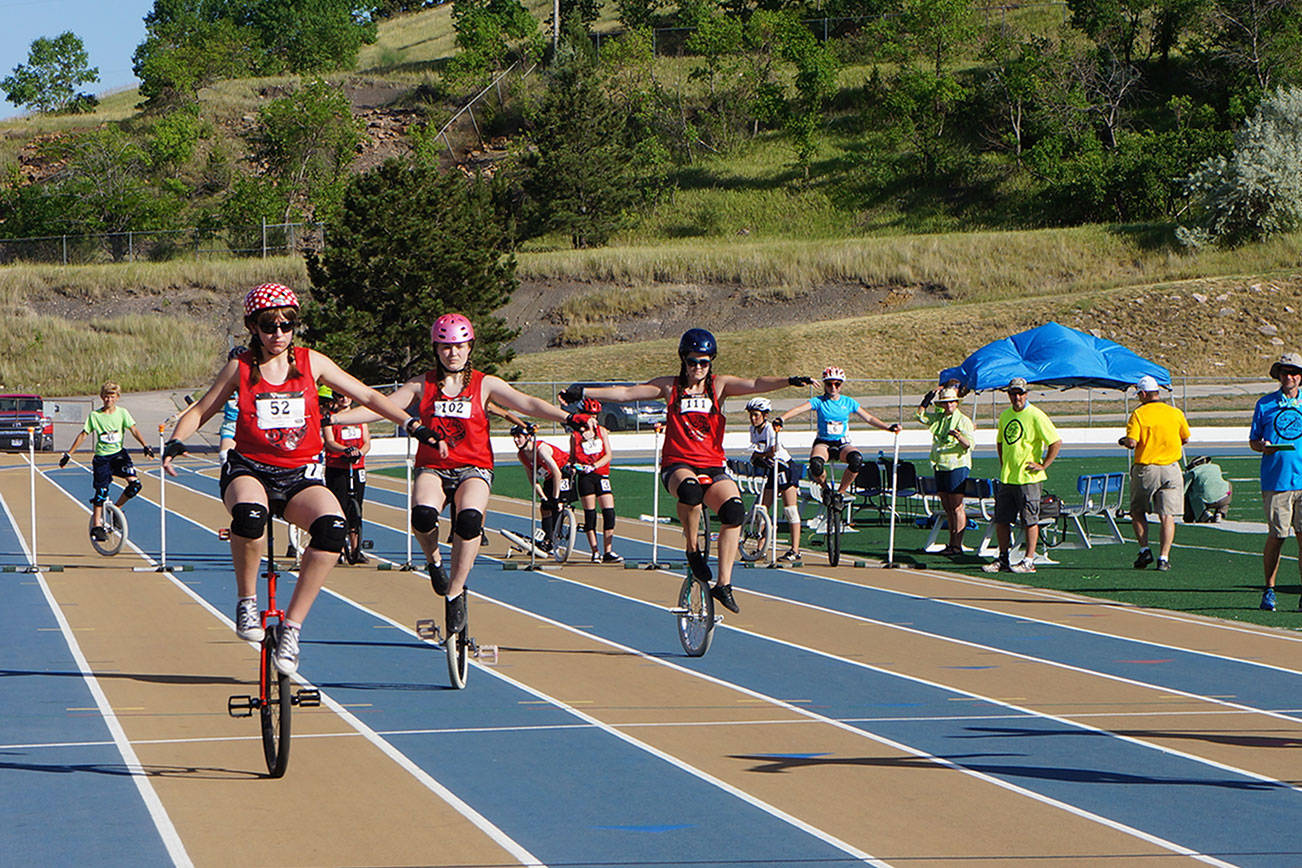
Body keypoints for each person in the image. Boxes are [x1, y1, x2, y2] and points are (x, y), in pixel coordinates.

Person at [161, 283, 438, 675]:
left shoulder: (313, 363)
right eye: (269, 325)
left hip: (300, 474)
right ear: (252, 326)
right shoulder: (239, 367)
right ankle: (246, 601)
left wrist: (411, 422)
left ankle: (292, 627)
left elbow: (371, 397)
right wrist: (175, 442)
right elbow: (202, 410)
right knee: (250, 517)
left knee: (333, 528)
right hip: (250, 468)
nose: (278, 333)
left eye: (287, 324)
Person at [334, 313, 590, 637]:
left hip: (474, 467)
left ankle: (455, 591)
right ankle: (434, 562)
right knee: (423, 515)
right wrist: (334, 420)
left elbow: (526, 402)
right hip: (434, 466)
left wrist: (568, 417)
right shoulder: (421, 384)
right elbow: (381, 407)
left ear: (470, 347)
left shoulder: (486, 384)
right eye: (445, 347)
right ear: (436, 349)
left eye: (458, 346)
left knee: (469, 521)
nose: (452, 353)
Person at [566, 329, 812, 613]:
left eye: (704, 362)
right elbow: (626, 392)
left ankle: (724, 583)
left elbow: (755, 383)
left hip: (712, 463)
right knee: (691, 492)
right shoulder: (670, 387)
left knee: (734, 512)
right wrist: (583, 391)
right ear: (683, 360)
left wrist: (789, 381)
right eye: (693, 362)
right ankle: (693, 547)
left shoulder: (719, 386)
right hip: (677, 464)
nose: (698, 368)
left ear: (711, 362)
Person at [778, 367, 900, 505]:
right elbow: (798, 409)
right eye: (829, 384)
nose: (833, 388)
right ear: (825, 385)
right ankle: (825, 489)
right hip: (823, 443)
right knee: (816, 465)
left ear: (841, 385)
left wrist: (888, 427)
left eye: (837, 384)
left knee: (856, 460)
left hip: (842, 443)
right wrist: (782, 419)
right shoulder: (819, 401)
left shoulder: (848, 402)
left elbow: (869, 418)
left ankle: (841, 492)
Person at [983, 377, 1061, 574]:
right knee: (1001, 519)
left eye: (1020, 393)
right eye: (1013, 393)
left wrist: (1043, 465)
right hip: (1008, 478)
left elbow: (1055, 442)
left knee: (1029, 519)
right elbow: (1001, 442)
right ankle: (1003, 558)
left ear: (1026, 394)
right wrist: (1004, 464)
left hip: (1028, 479)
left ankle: (1028, 560)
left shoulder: (1036, 415)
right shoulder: (1005, 416)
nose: (1016, 397)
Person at [61, 382, 155, 540]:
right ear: (101, 397)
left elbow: (134, 429)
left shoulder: (123, 413)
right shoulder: (95, 416)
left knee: (135, 484)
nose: (108, 400)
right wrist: (69, 454)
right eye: (106, 397)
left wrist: (145, 446)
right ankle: (97, 526)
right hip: (102, 459)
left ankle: (116, 509)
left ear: (117, 398)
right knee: (101, 492)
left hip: (119, 456)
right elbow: (84, 434)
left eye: (112, 397)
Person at [1118, 374, 1190, 572]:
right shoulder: (1174, 412)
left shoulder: (1139, 415)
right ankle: (1164, 557)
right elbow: (1185, 438)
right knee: (1167, 515)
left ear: (1142, 394)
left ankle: (1144, 549)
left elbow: (1132, 442)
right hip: (1171, 468)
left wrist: (1123, 440)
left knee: (1137, 510)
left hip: (1147, 468)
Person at [1248, 352, 1302, 611]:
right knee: (1277, 536)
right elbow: (1253, 441)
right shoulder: (1266, 404)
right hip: (1277, 480)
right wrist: (1262, 446)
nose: (1289, 377)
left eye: (1293, 372)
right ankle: (1269, 589)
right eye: (1284, 372)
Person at [916, 384, 975, 555]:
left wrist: (958, 436)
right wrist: (926, 400)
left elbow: (969, 445)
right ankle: (951, 542)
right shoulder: (939, 419)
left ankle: (957, 544)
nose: (949, 405)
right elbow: (920, 416)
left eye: (952, 402)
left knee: (957, 507)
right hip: (940, 464)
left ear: (956, 403)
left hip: (956, 465)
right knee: (947, 506)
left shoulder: (963, 420)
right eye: (945, 403)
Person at [569, 397, 622, 563]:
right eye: (589, 415)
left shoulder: (602, 431)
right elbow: (572, 457)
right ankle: (595, 551)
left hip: (601, 474)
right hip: (585, 477)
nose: (592, 418)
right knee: (590, 514)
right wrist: (574, 466)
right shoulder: (575, 435)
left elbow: (608, 455)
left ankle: (608, 550)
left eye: (595, 415)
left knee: (609, 512)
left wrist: (595, 465)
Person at [748, 397, 801, 561]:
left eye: (756, 415)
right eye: (751, 415)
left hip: (784, 467)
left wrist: (759, 455)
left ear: (764, 415)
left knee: (790, 510)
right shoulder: (753, 429)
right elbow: (757, 450)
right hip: (771, 469)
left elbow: (771, 450)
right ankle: (761, 548)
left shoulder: (770, 429)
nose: (753, 418)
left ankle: (795, 550)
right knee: (762, 508)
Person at [323, 391, 371, 564]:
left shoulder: (360, 417)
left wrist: (360, 453)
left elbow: (367, 442)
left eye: (347, 396)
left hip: (357, 467)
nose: (344, 399)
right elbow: (329, 441)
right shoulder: (331, 418)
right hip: (337, 466)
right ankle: (338, 549)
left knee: (356, 508)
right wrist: (344, 451)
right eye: (340, 396)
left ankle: (356, 549)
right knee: (339, 506)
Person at [510, 424, 569, 553]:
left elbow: (557, 473)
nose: (515, 440)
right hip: (548, 476)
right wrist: (543, 497)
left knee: (557, 505)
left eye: (519, 437)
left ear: (529, 437)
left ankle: (556, 537)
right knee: (545, 507)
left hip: (563, 470)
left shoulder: (541, 450)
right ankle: (548, 539)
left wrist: (555, 497)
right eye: (514, 437)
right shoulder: (522, 455)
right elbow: (532, 479)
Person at [1184, 456, 1231, 523]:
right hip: (1223, 498)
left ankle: (1203, 514)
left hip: (1205, 500)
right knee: (1228, 486)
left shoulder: (1193, 472)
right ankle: (1220, 512)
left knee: (1191, 493)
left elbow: (1184, 490)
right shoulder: (1216, 467)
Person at [218, 347, 244, 466]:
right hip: (230, 425)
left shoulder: (253, 380)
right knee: (225, 456)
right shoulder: (226, 381)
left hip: (247, 426)